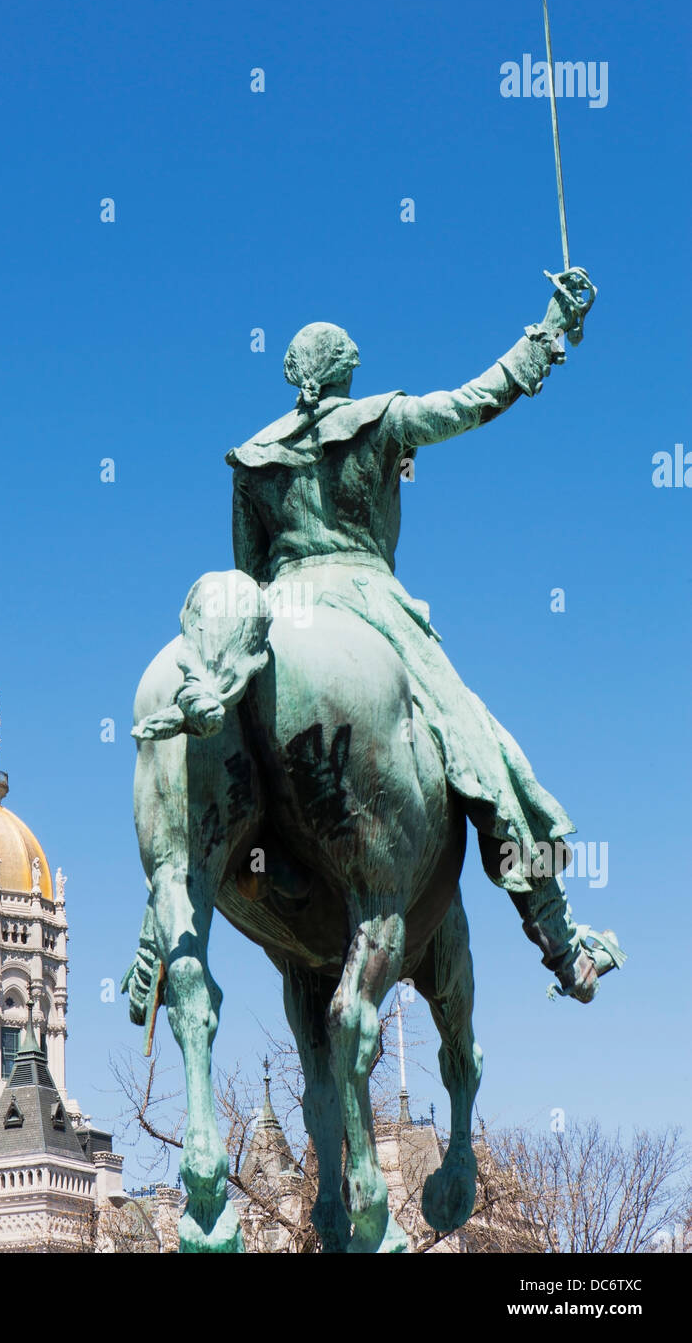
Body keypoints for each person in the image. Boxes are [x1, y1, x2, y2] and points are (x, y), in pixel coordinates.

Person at [224, 272, 624, 1000]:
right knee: (485, 755)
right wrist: (550, 330)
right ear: (346, 372)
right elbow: (476, 400)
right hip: (370, 602)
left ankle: (257, 852)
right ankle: (561, 941)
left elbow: (245, 575)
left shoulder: (253, 460)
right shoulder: (383, 421)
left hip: (274, 608)